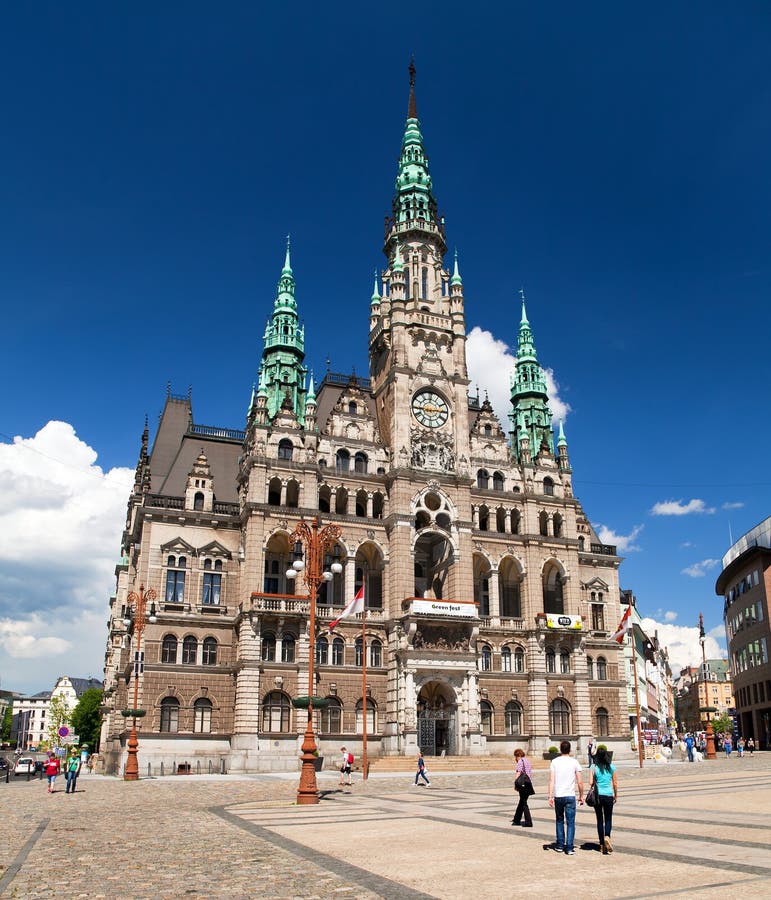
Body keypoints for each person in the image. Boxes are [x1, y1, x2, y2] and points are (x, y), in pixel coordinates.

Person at [548, 740, 584, 855]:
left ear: (560, 749)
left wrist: (550, 796)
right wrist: (581, 795)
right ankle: (569, 847)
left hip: (558, 796)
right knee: (570, 822)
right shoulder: (574, 762)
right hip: (570, 796)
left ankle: (559, 845)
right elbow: (580, 781)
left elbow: (551, 780)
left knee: (559, 820)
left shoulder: (554, 762)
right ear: (570, 749)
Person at [589, 746, 618, 854]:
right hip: (608, 795)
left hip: (598, 796)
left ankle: (601, 844)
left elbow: (590, 782)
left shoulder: (594, 767)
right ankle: (607, 837)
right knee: (608, 818)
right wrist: (616, 795)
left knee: (600, 820)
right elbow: (615, 783)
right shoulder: (611, 767)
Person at [512, 749, 533, 827]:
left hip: (522, 784)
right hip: (528, 783)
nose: (515, 758)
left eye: (515, 756)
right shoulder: (527, 761)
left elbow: (518, 772)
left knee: (524, 803)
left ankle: (528, 821)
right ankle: (516, 819)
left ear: (518, 755)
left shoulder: (520, 761)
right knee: (522, 802)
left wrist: (515, 783)